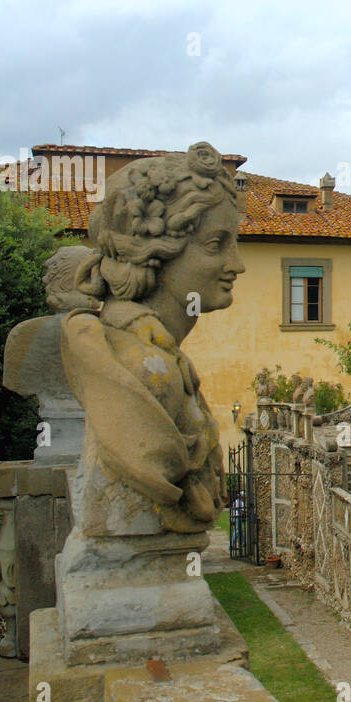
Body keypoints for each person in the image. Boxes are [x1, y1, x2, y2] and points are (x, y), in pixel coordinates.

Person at [60, 142, 246, 533]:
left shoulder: (158, 357)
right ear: (154, 253)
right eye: (216, 245)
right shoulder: (145, 372)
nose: (237, 265)